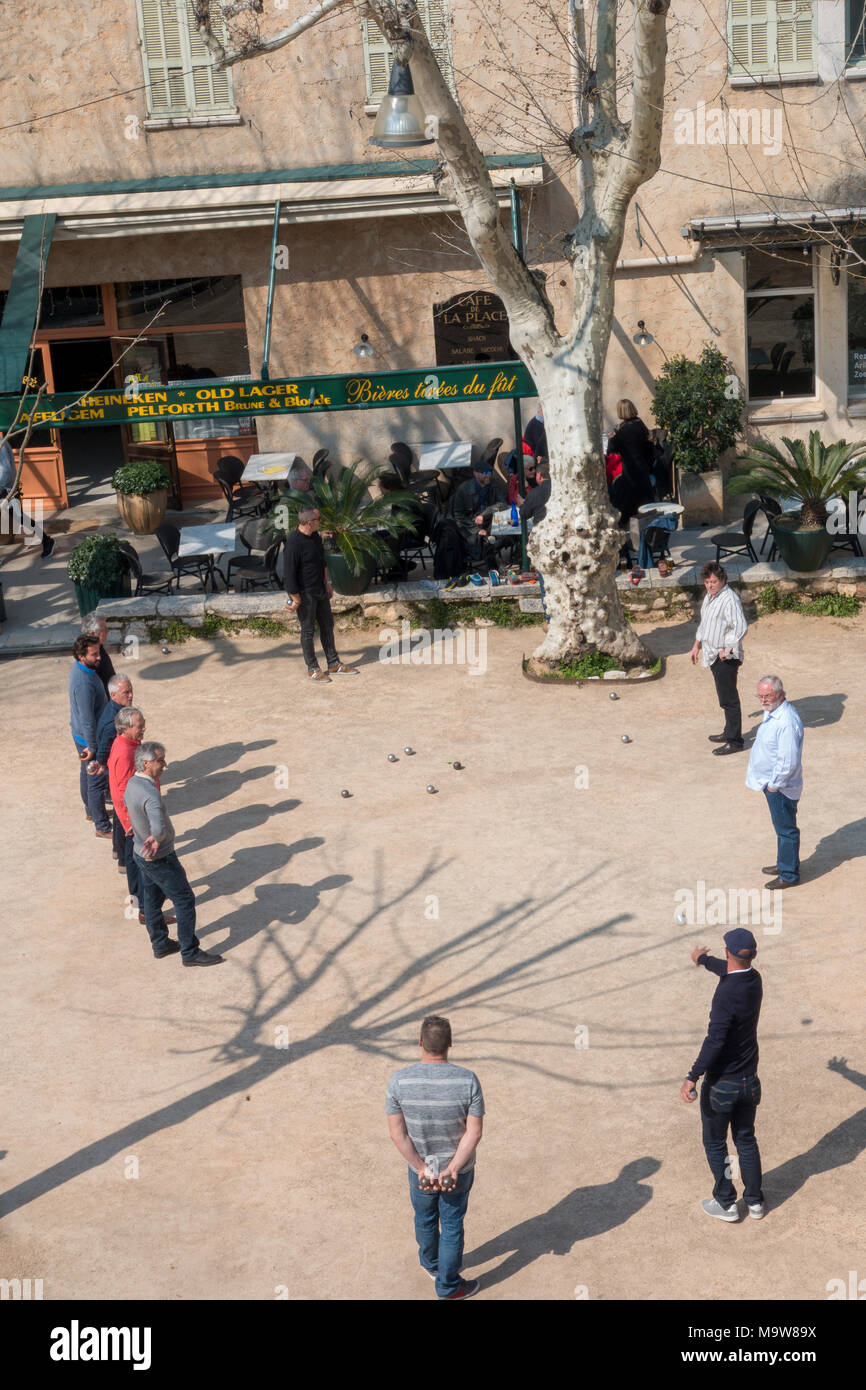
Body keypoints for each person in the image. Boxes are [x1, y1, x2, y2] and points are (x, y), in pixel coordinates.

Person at [386, 1015, 484, 1301]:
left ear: (419, 1042)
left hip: (421, 1174)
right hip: (458, 1173)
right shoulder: (468, 1081)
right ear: (450, 1044)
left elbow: (397, 1135)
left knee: (425, 1217)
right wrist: (452, 1169)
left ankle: (431, 1265)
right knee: (452, 1224)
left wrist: (421, 1168)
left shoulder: (398, 1082)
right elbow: (473, 1133)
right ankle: (448, 1287)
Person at [681, 929, 765, 1222]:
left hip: (722, 1085)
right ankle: (755, 1202)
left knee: (715, 1142)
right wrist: (703, 959)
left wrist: (692, 1076)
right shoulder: (754, 979)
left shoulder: (726, 996)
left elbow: (715, 1041)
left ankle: (726, 1203)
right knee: (746, 1139)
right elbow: (729, 970)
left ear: (728, 952)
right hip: (749, 1083)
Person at [125, 741, 222, 966]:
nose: (165, 765)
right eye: (160, 760)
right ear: (146, 763)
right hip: (160, 857)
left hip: (140, 853)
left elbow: (130, 807)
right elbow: (158, 829)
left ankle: (160, 943)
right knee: (184, 899)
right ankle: (190, 951)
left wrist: (139, 828)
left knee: (152, 898)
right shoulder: (151, 794)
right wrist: (156, 838)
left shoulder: (132, 783)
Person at [283, 504, 359, 682]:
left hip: (320, 589)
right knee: (308, 631)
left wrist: (328, 583)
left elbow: (321, 562)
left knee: (327, 626)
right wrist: (295, 599)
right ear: (309, 523)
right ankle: (313, 668)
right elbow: (288, 575)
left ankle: (333, 663)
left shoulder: (316, 537)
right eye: (318, 520)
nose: (321, 522)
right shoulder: (293, 544)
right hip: (305, 594)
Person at [746, 675, 804, 889]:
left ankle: (789, 874)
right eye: (760, 696)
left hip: (781, 787)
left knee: (786, 829)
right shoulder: (773, 711)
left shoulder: (786, 721)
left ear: (780, 693)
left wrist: (773, 785)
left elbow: (788, 761)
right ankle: (784, 863)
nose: (763, 700)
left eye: (767, 695)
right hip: (772, 783)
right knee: (781, 827)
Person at [690, 562, 748, 756]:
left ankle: (735, 741)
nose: (710, 585)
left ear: (723, 580)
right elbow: (705, 624)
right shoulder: (710, 597)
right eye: (707, 582)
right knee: (723, 695)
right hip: (713, 651)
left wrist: (728, 648)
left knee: (729, 698)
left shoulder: (729, 599)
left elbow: (739, 626)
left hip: (727, 653)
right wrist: (696, 645)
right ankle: (728, 731)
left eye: (713, 581)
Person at [69, 632, 111, 837]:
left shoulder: (81, 668)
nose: (99, 657)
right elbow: (87, 718)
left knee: (87, 776)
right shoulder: (84, 682)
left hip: (82, 736)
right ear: (81, 656)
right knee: (96, 780)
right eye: (94, 654)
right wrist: (93, 747)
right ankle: (102, 826)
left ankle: (91, 812)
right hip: (88, 738)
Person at [95, 673, 135, 869]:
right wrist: (102, 764)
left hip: (118, 771)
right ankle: (123, 858)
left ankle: (117, 849)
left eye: (131, 690)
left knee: (121, 816)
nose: (130, 695)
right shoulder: (114, 721)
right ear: (113, 695)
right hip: (119, 774)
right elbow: (103, 748)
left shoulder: (118, 711)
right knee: (123, 816)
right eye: (126, 692)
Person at [0, 435, 55, 558]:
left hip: (6, 491)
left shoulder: (1, 444)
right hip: (6, 490)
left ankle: (47, 541)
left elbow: (6, 471)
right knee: (20, 518)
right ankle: (47, 541)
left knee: (20, 518)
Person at [606, 399, 655, 511]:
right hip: (644, 465)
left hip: (631, 468)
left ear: (621, 412)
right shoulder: (639, 423)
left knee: (627, 497)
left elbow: (611, 450)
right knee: (646, 499)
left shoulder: (623, 431)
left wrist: (611, 438)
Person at [452, 462, 506, 557]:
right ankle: (491, 561)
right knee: (479, 542)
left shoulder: (494, 485)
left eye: (490, 472)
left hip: (489, 521)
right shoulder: (463, 489)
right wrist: (476, 530)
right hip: (470, 525)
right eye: (484, 473)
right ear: (475, 473)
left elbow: (503, 504)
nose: (488, 475)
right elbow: (458, 516)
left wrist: (484, 514)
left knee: (507, 535)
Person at [81, 613, 116, 695]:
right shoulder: (90, 658)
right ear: (93, 633)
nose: (108, 631)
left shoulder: (99, 647)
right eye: (104, 629)